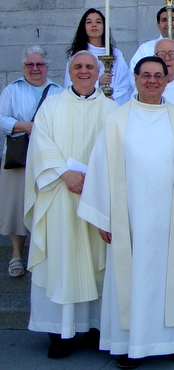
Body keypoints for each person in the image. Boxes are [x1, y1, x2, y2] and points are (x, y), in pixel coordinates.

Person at [78, 56, 174, 368]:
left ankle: (173, 342)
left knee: (169, 280)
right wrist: (105, 217)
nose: (153, 80)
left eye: (159, 75)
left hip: (169, 219)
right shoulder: (118, 119)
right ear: (135, 78)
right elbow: (101, 167)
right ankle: (130, 345)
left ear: (168, 78)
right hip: (130, 219)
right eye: (146, 75)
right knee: (133, 280)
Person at [24, 51, 113, 358]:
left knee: (95, 258)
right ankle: (59, 333)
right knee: (62, 258)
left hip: (97, 197)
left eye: (90, 66)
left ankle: (94, 326)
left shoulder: (111, 109)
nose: (84, 71)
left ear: (98, 71)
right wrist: (65, 173)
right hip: (60, 196)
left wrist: (95, 182)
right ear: (69, 72)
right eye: (78, 67)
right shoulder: (52, 105)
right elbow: (40, 144)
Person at [0, 47, 62, 279]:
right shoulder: (12, 90)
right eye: (30, 65)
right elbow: (1, 117)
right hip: (19, 155)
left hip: (46, 156)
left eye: (39, 65)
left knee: (45, 203)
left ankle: (43, 254)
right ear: (24, 67)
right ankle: (17, 253)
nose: (35, 69)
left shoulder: (57, 91)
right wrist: (24, 126)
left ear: (47, 66)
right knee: (17, 205)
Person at [65, 8, 134, 104]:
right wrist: (97, 82)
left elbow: (125, 84)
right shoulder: (76, 56)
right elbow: (70, 84)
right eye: (89, 22)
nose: (94, 25)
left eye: (98, 22)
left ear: (104, 26)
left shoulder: (116, 54)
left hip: (112, 103)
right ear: (83, 27)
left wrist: (111, 99)